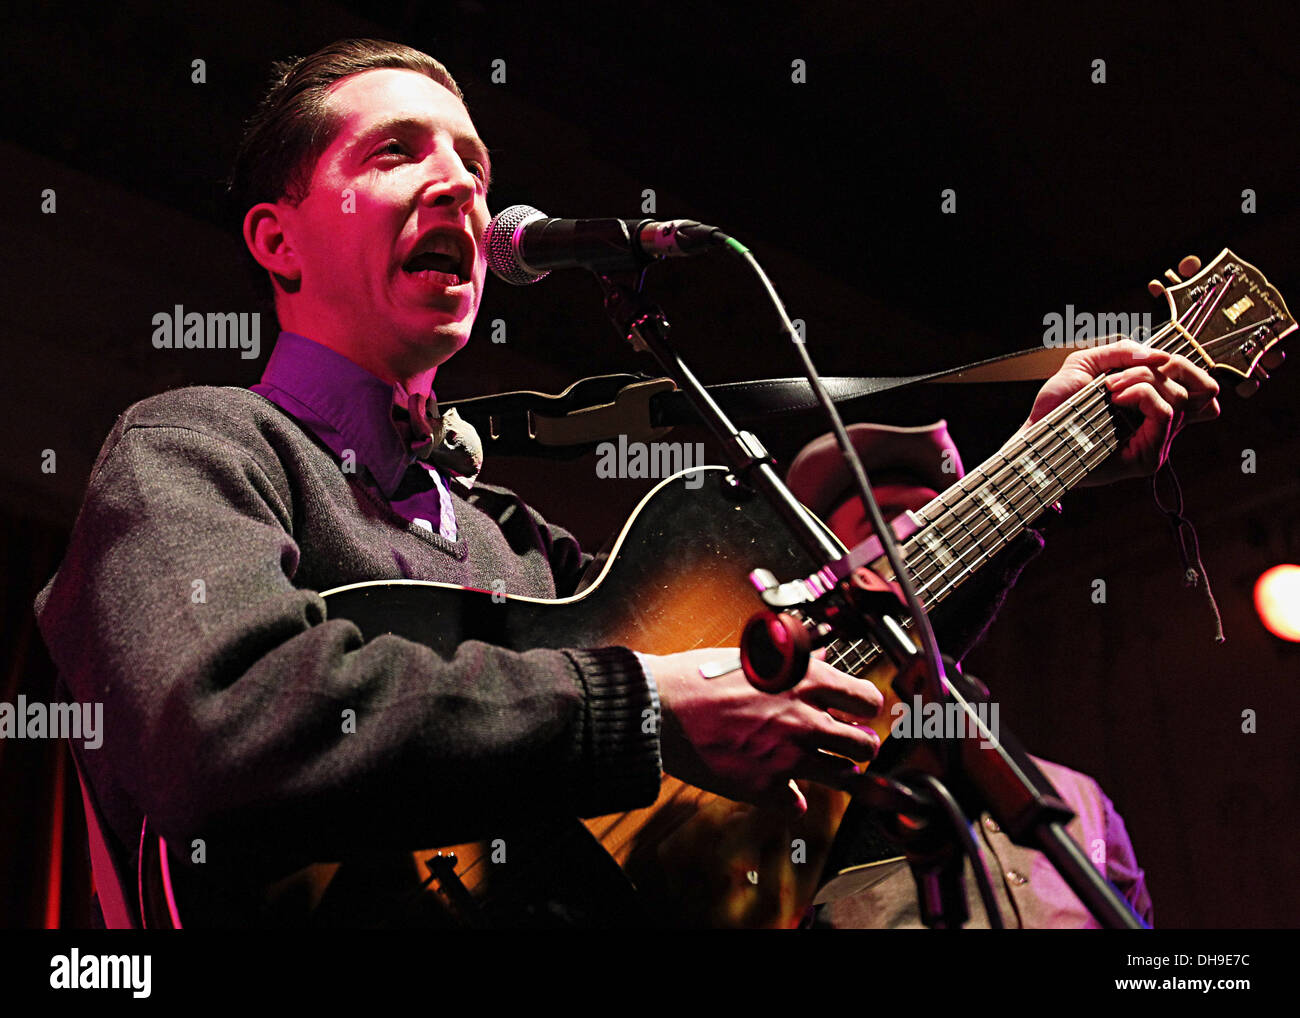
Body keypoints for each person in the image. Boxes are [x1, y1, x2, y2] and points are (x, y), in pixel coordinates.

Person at [32, 38, 1216, 928]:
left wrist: (1042, 466)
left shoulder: (514, 539)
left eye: (471, 162)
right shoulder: (199, 443)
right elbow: (215, 723)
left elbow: (798, 661)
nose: (459, 187)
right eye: (396, 151)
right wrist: (638, 705)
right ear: (277, 238)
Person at [783, 421, 1154, 927]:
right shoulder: (791, 800)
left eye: (933, 530)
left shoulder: (1079, 797)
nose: (916, 551)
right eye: (883, 528)